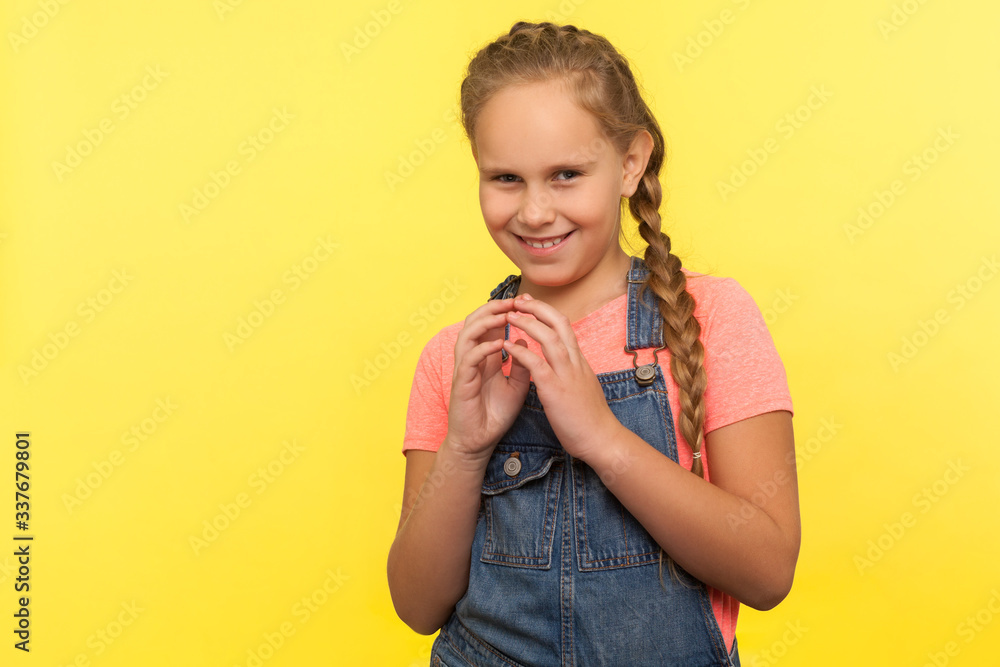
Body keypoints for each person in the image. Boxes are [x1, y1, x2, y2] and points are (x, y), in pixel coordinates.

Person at [387, 21, 799, 666]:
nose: (534, 211)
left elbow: (768, 571)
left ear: (631, 163)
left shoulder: (710, 318)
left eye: (566, 174)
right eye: (505, 179)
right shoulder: (456, 357)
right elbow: (417, 605)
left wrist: (601, 437)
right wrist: (467, 448)